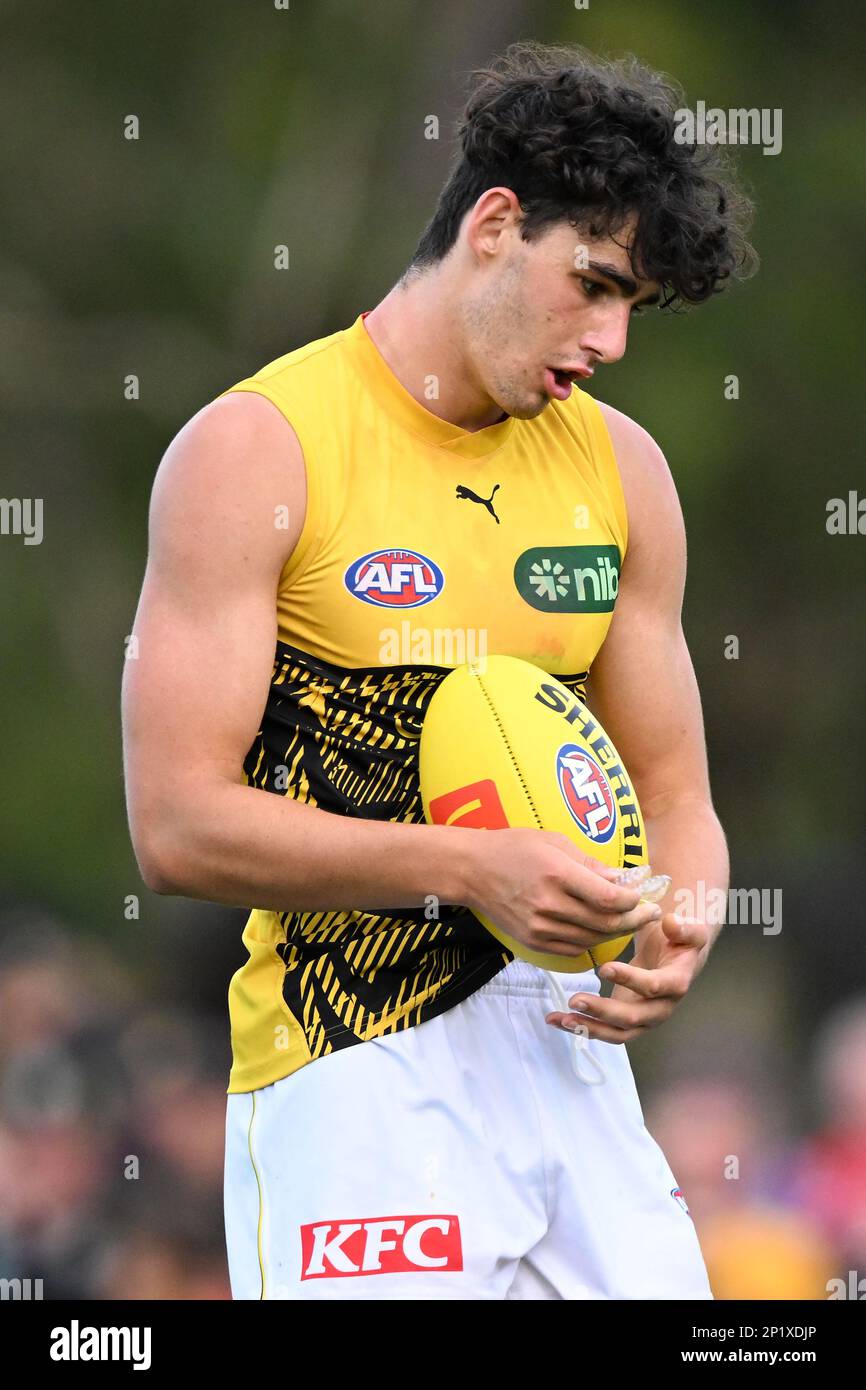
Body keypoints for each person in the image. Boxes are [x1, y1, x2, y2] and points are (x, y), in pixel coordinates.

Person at [122, 41, 756, 1299]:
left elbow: (676, 795)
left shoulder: (621, 473)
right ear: (493, 222)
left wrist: (683, 920)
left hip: (572, 1057)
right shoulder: (259, 449)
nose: (610, 339)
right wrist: (469, 866)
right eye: (593, 285)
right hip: (352, 1068)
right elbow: (174, 828)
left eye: (634, 307)